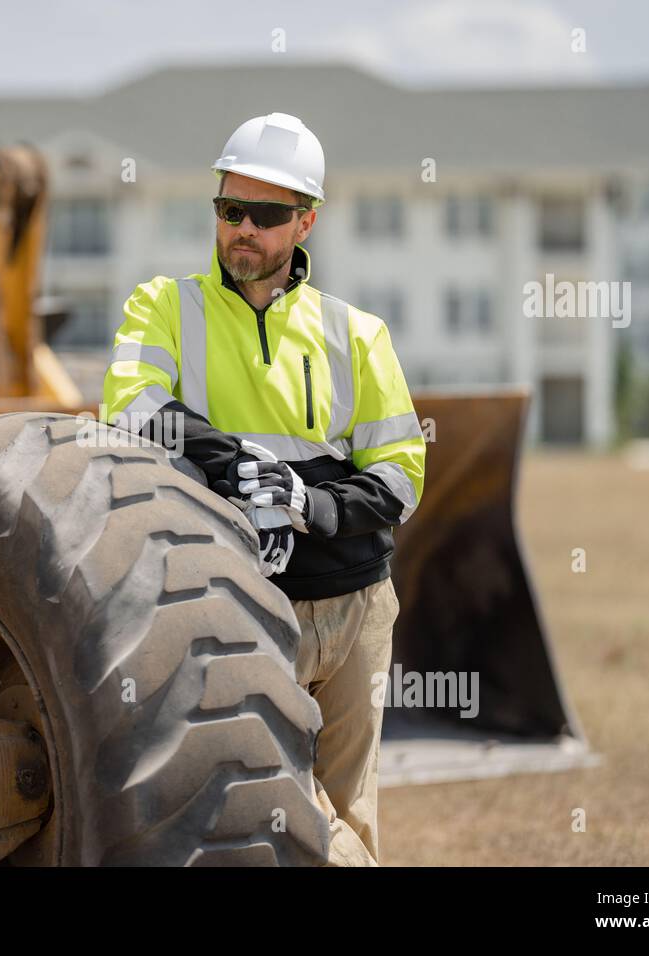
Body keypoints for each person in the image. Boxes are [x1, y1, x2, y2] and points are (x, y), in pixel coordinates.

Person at [101, 112, 426, 865]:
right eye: (229, 209)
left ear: (306, 221)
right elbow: (130, 407)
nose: (243, 229)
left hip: (355, 610)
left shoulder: (356, 333)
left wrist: (309, 502)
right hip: (236, 608)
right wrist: (237, 464)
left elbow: (402, 473)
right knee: (281, 814)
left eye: (268, 215)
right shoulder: (164, 307)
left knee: (350, 813)